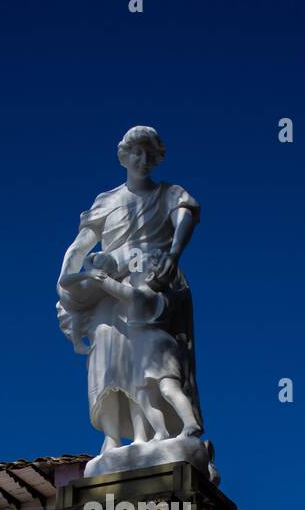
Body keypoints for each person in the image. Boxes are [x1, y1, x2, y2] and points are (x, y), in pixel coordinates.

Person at [56, 125, 204, 452]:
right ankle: (111, 436)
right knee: (107, 350)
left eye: (149, 154)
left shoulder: (167, 192)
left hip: (152, 280)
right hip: (108, 284)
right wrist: (67, 281)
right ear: (123, 155)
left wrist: (173, 253)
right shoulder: (107, 201)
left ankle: (155, 435)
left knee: (149, 361)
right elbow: (80, 246)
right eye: (136, 151)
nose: (142, 159)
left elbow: (187, 211)